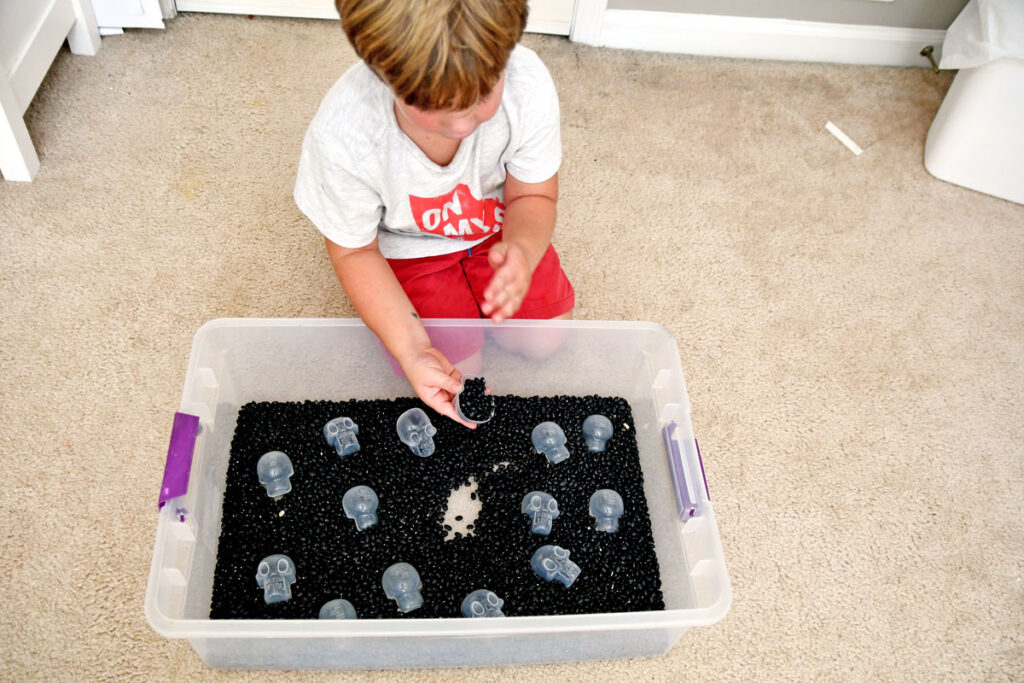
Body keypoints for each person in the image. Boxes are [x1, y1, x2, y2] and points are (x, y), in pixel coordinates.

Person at [294, 0, 575, 427]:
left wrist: (522, 248)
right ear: (381, 71)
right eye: (431, 104)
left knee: (545, 340)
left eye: (483, 95)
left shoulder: (528, 84)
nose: (462, 124)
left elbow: (533, 195)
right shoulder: (345, 135)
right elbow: (354, 252)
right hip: (410, 248)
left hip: (496, 231)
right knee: (460, 374)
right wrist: (411, 349)